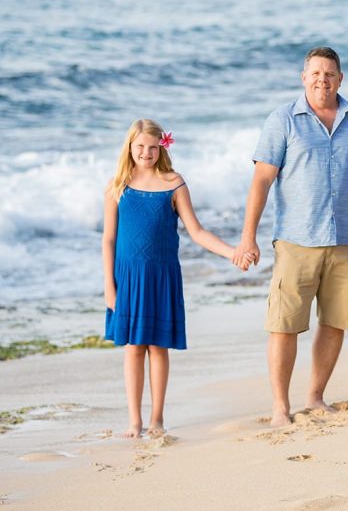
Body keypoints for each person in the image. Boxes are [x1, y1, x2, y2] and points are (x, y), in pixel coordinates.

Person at [235, 47, 348, 427]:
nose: (322, 79)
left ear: (341, 79)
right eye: (316, 73)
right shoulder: (283, 120)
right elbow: (261, 179)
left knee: (336, 320)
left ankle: (316, 396)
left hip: (347, 238)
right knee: (284, 323)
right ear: (303, 77)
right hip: (296, 239)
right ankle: (279, 406)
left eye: (330, 74)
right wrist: (248, 237)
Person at [102, 119, 249, 437]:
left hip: (162, 276)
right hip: (127, 278)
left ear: (161, 148)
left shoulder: (174, 183)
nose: (146, 153)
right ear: (130, 146)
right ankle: (134, 421)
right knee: (133, 347)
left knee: (157, 347)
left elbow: (196, 231)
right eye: (140, 146)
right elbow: (108, 241)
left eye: (152, 148)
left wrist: (232, 252)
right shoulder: (117, 186)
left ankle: (156, 420)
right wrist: (108, 285)